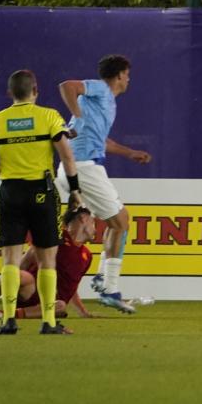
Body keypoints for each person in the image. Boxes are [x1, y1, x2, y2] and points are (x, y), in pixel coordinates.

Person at [0, 69, 81, 335]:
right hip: (41, 192)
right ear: (36, 90)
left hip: (10, 192)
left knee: (10, 258)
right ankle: (48, 322)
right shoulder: (48, 116)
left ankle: (8, 320)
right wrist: (75, 191)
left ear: (10, 93)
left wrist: (4, 173)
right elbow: (66, 157)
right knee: (47, 260)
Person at [56, 54, 151, 314]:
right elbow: (67, 85)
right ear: (119, 75)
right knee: (121, 221)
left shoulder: (106, 103)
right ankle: (109, 289)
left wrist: (130, 153)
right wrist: (76, 113)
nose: (129, 79)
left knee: (112, 223)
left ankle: (101, 280)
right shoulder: (101, 89)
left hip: (75, 165)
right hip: (82, 166)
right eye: (127, 74)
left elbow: (103, 140)